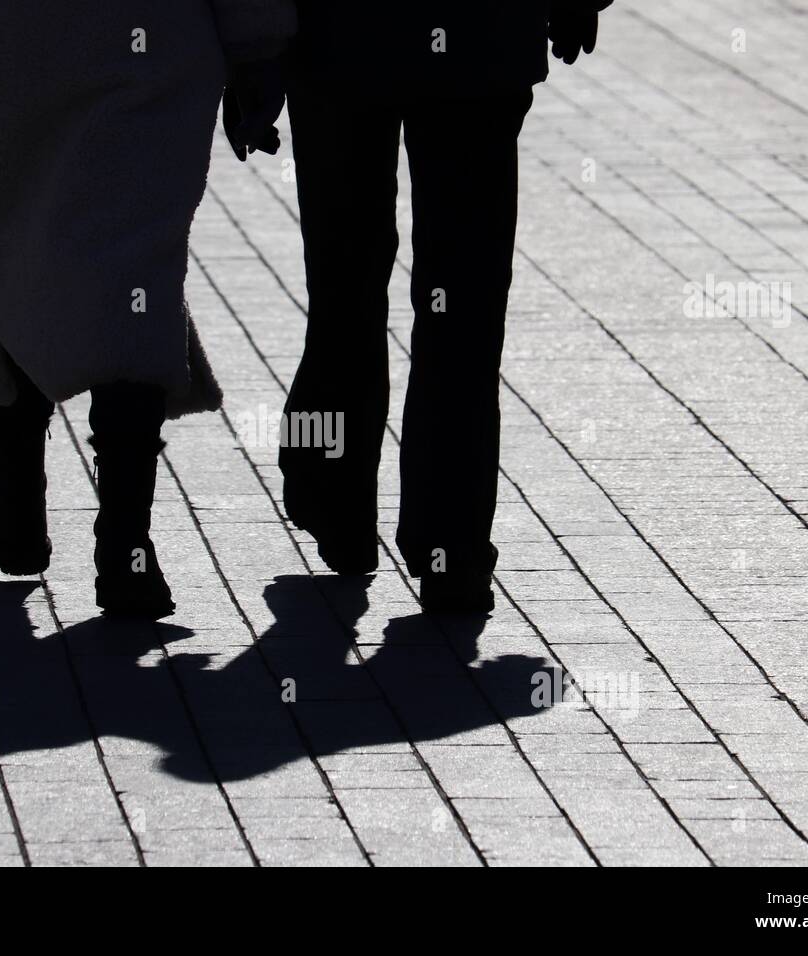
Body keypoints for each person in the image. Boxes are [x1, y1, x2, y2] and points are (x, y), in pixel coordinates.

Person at [0, 0, 295, 618]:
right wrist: (258, 44)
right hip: (150, 43)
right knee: (135, 272)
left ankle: (18, 507)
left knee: (15, 256)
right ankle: (126, 546)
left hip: (0, 50)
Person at [262, 0, 613, 613]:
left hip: (338, 36)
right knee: (463, 300)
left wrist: (248, 47)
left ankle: (332, 490)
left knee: (345, 281)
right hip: (478, 39)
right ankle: (450, 542)